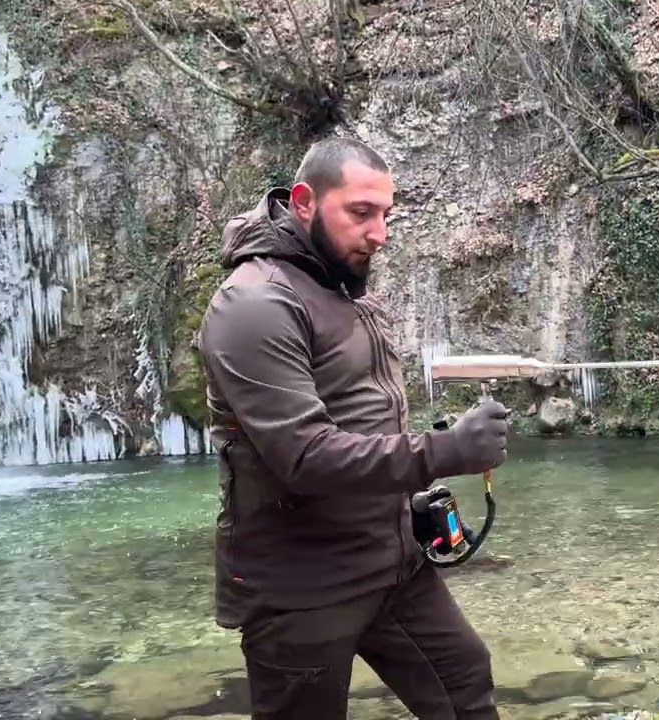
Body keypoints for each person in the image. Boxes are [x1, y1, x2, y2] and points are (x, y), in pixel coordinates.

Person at [194, 136, 511, 719]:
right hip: (302, 586)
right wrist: (447, 450)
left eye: (385, 214)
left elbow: (364, 420)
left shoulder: (345, 289)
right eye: (361, 213)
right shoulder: (255, 304)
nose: (379, 233)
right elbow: (305, 456)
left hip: (392, 564)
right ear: (304, 201)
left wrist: (411, 503)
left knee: (464, 680)